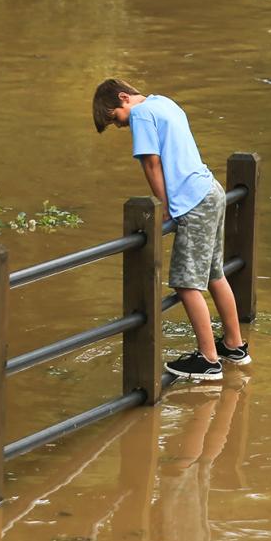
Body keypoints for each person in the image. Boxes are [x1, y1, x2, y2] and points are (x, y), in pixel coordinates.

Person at [92, 78, 251, 379]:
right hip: (210, 190)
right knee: (214, 273)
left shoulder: (140, 115)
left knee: (185, 283)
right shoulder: (163, 102)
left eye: (115, 118)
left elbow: (151, 164)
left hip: (192, 200)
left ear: (124, 98)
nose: (119, 125)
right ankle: (234, 345)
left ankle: (208, 360)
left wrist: (163, 207)